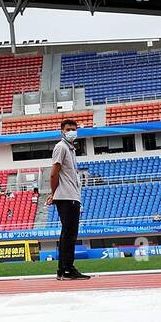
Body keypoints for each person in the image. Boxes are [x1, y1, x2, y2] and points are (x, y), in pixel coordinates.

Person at [49, 118, 90, 281]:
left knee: (69, 233)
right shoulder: (61, 147)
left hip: (72, 195)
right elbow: (54, 172)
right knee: (69, 234)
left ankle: (64, 269)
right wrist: (53, 193)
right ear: (62, 132)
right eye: (68, 129)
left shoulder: (70, 149)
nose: (72, 131)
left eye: (74, 128)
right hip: (66, 196)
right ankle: (66, 269)